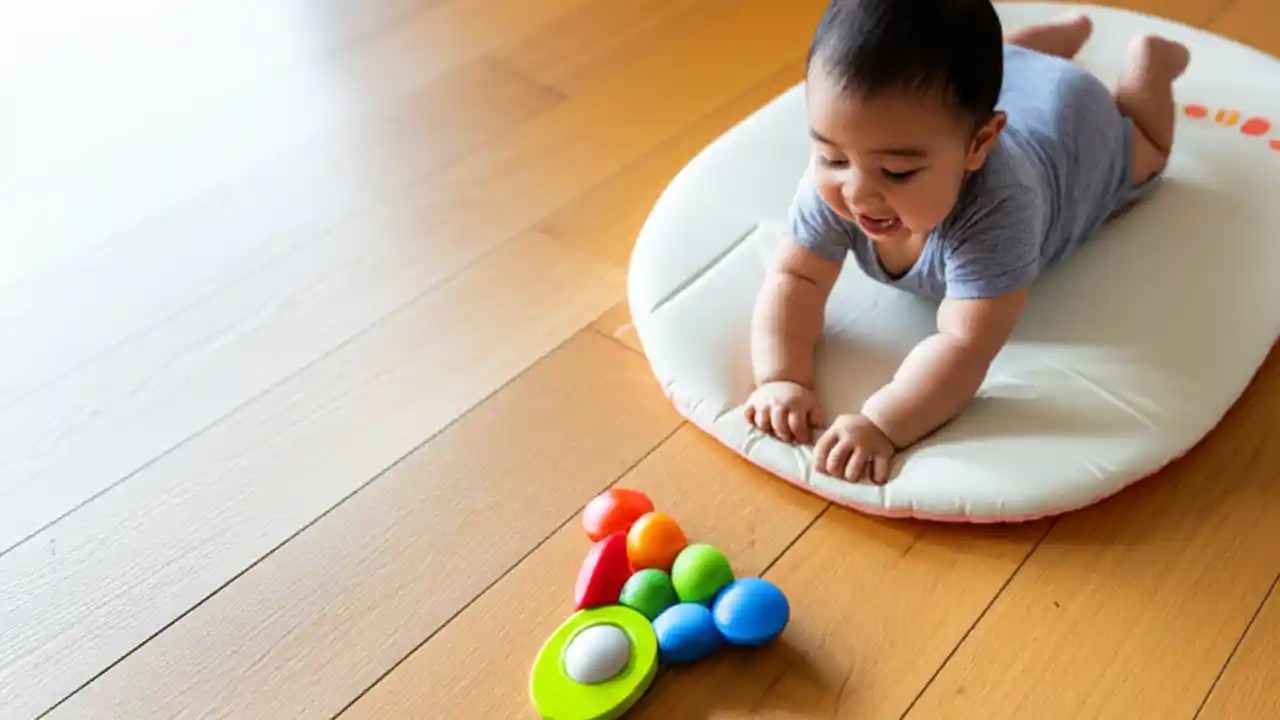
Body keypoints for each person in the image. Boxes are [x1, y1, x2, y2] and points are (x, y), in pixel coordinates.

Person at [745, 0, 1190, 484]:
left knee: (1147, 148)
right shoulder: (839, 179)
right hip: (1014, 88)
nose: (857, 193)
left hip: (1076, 121)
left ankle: (1151, 65)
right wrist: (781, 377)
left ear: (979, 146)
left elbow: (964, 344)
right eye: (831, 156)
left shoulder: (999, 209)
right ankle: (1048, 42)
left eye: (896, 172)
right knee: (990, 73)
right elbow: (796, 275)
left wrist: (881, 423)